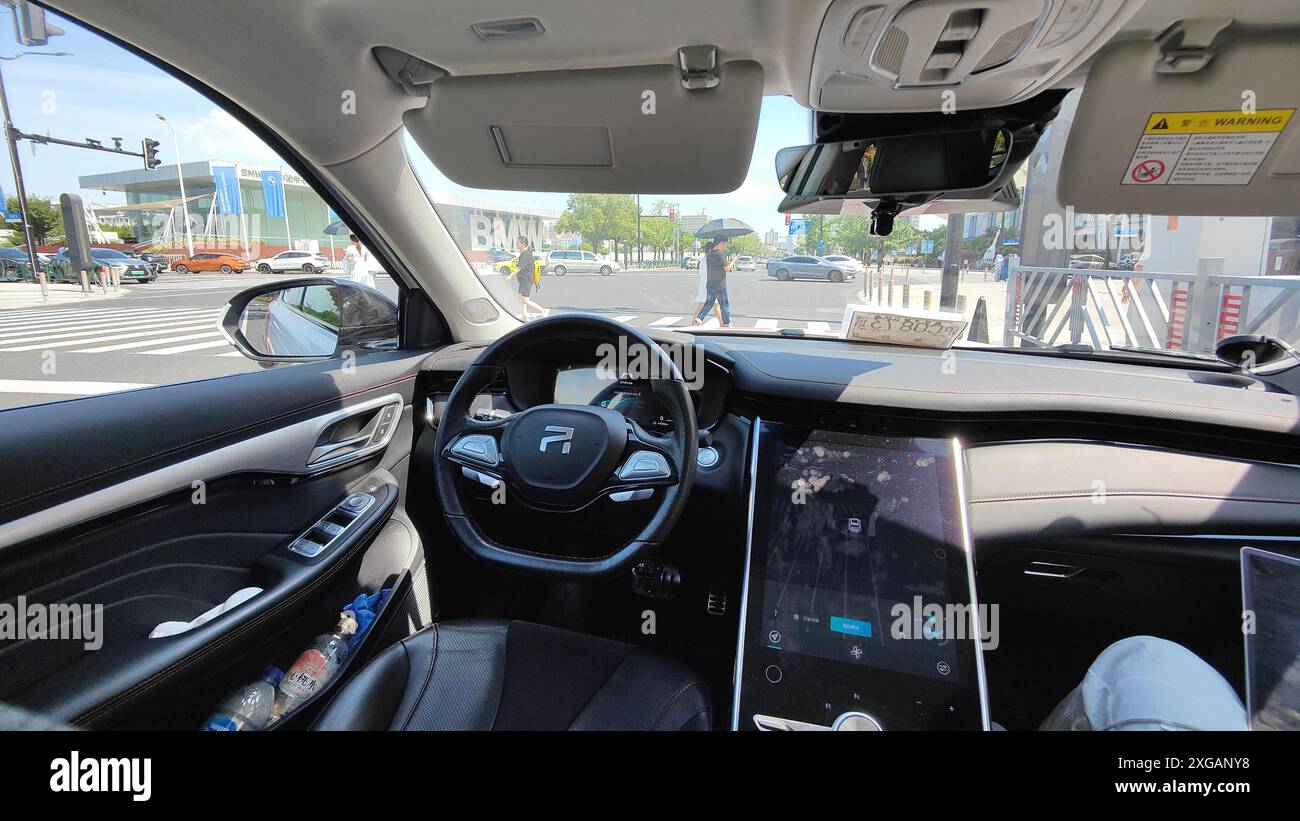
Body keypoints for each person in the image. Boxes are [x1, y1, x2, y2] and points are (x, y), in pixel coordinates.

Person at [694, 237, 731, 327]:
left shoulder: (708, 257)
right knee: (724, 304)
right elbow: (727, 268)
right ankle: (726, 324)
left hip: (709, 284)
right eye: (726, 244)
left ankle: (699, 318)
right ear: (721, 243)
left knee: (709, 304)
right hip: (719, 285)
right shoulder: (720, 254)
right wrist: (733, 260)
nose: (726, 246)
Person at [509, 235, 546, 320]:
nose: (516, 244)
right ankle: (524, 314)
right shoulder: (525, 253)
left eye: (518, 242)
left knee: (525, 300)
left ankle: (542, 310)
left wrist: (510, 275)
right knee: (522, 298)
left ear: (523, 244)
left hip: (526, 279)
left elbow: (520, 267)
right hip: (525, 279)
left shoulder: (525, 254)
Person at [690, 242, 724, 326]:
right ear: (710, 250)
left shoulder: (704, 259)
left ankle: (722, 324)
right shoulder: (709, 259)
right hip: (709, 286)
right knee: (703, 304)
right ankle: (694, 323)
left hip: (706, 285)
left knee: (715, 305)